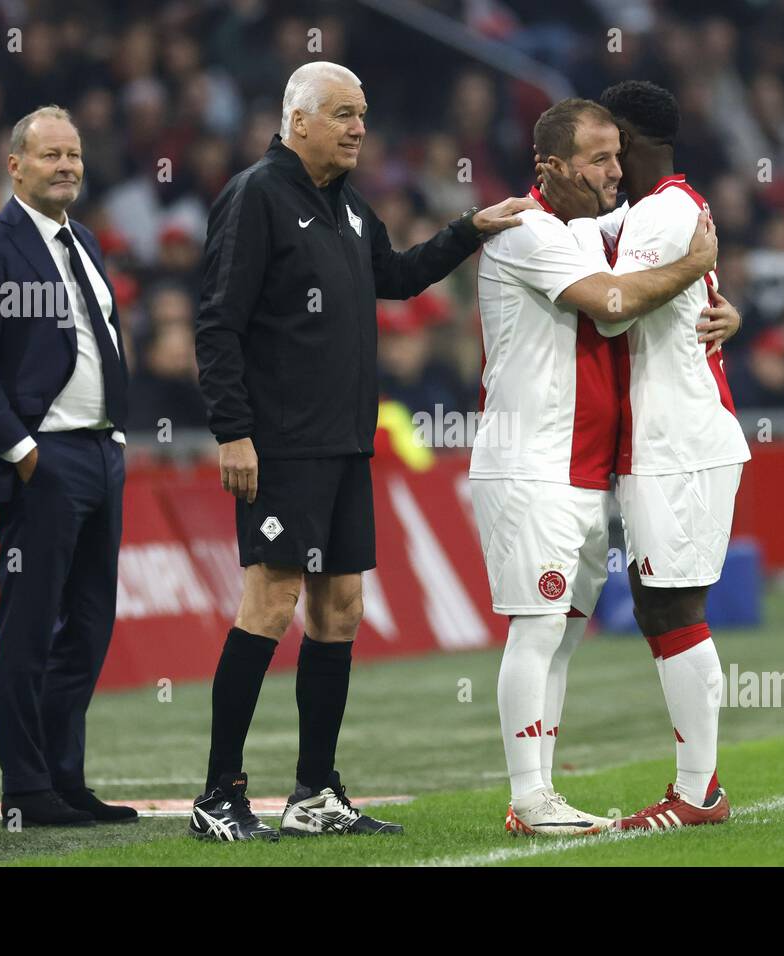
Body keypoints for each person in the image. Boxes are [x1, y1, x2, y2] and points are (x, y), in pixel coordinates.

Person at [191, 61, 535, 841]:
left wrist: (469, 230)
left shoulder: (346, 207)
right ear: (297, 120)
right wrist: (232, 430)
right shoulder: (256, 197)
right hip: (280, 445)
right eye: (343, 114)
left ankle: (314, 792)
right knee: (270, 603)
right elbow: (217, 323)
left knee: (339, 612)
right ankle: (219, 793)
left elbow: (399, 278)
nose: (357, 128)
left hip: (345, 444)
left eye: (363, 115)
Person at [472, 97, 722, 837]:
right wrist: (696, 265)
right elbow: (612, 303)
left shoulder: (580, 227)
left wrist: (718, 300)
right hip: (532, 463)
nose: (618, 172)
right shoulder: (527, 230)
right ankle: (529, 797)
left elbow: (641, 259)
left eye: (620, 155)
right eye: (599, 160)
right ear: (551, 166)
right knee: (538, 626)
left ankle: (537, 796)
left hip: (579, 468)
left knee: (561, 633)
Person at [548, 80, 750, 831]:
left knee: (671, 604)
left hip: (680, 443)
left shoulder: (664, 212)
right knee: (656, 604)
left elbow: (612, 312)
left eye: (607, 145)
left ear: (627, 141)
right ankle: (699, 789)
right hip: (660, 443)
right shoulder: (655, 210)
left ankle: (699, 794)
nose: (601, 162)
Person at [0, 105, 134, 828]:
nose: (67, 166)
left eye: (75, 155)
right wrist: (23, 454)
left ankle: (65, 779)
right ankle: (26, 790)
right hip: (45, 460)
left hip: (99, 452)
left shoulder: (81, 239)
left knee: (88, 627)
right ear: (14, 165)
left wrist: (114, 442)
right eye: (51, 154)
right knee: (28, 631)